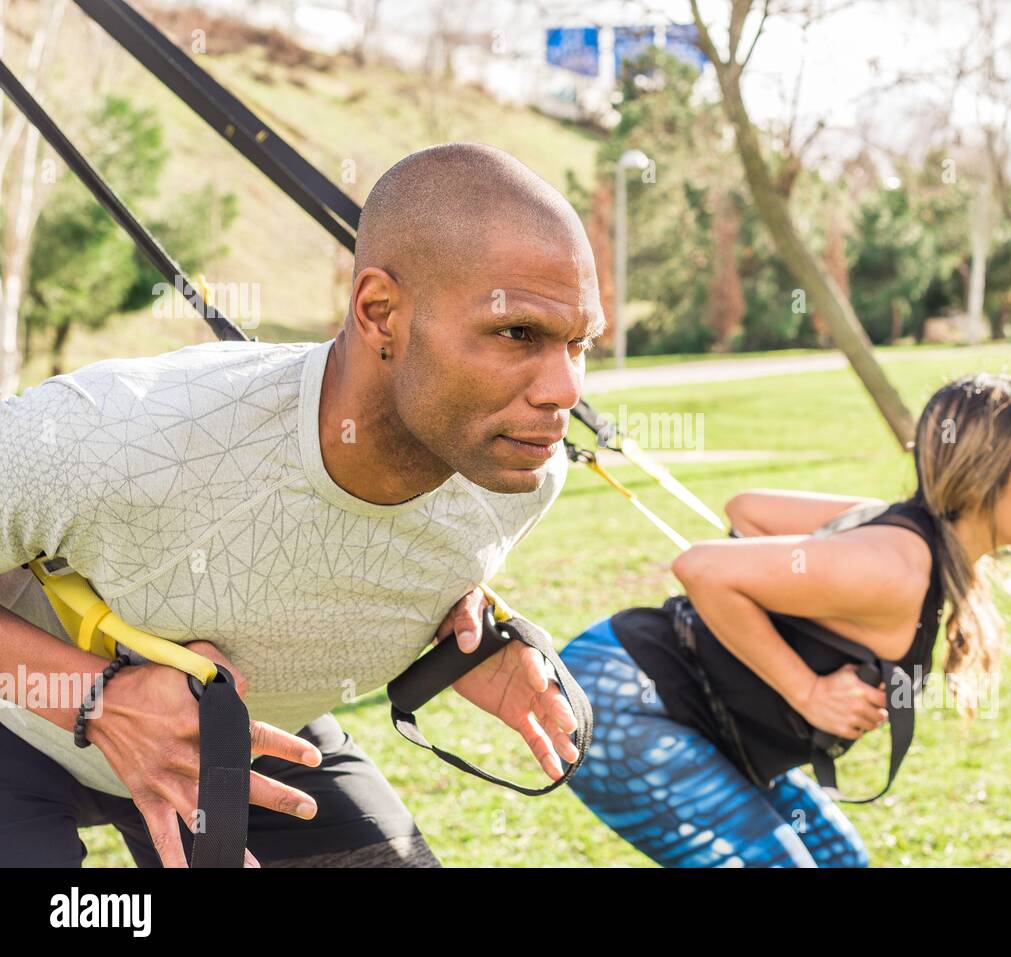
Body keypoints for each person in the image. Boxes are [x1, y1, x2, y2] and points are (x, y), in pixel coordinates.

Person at [0, 143, 602, 868]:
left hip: (239, 745)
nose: (565, 390)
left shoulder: (518, 476)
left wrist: (447, 621)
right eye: (518, 334)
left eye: (579, 343)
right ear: (381, 313)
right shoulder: (117, 432)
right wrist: (92, 698)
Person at [559, 373, 1011, 867]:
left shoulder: (894, 535)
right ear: (982, 473)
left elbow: (747, 510)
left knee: (842, 861)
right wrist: (808, 691)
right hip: (618, 701)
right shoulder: (894, 567)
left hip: (692, 712)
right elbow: (700, 568)